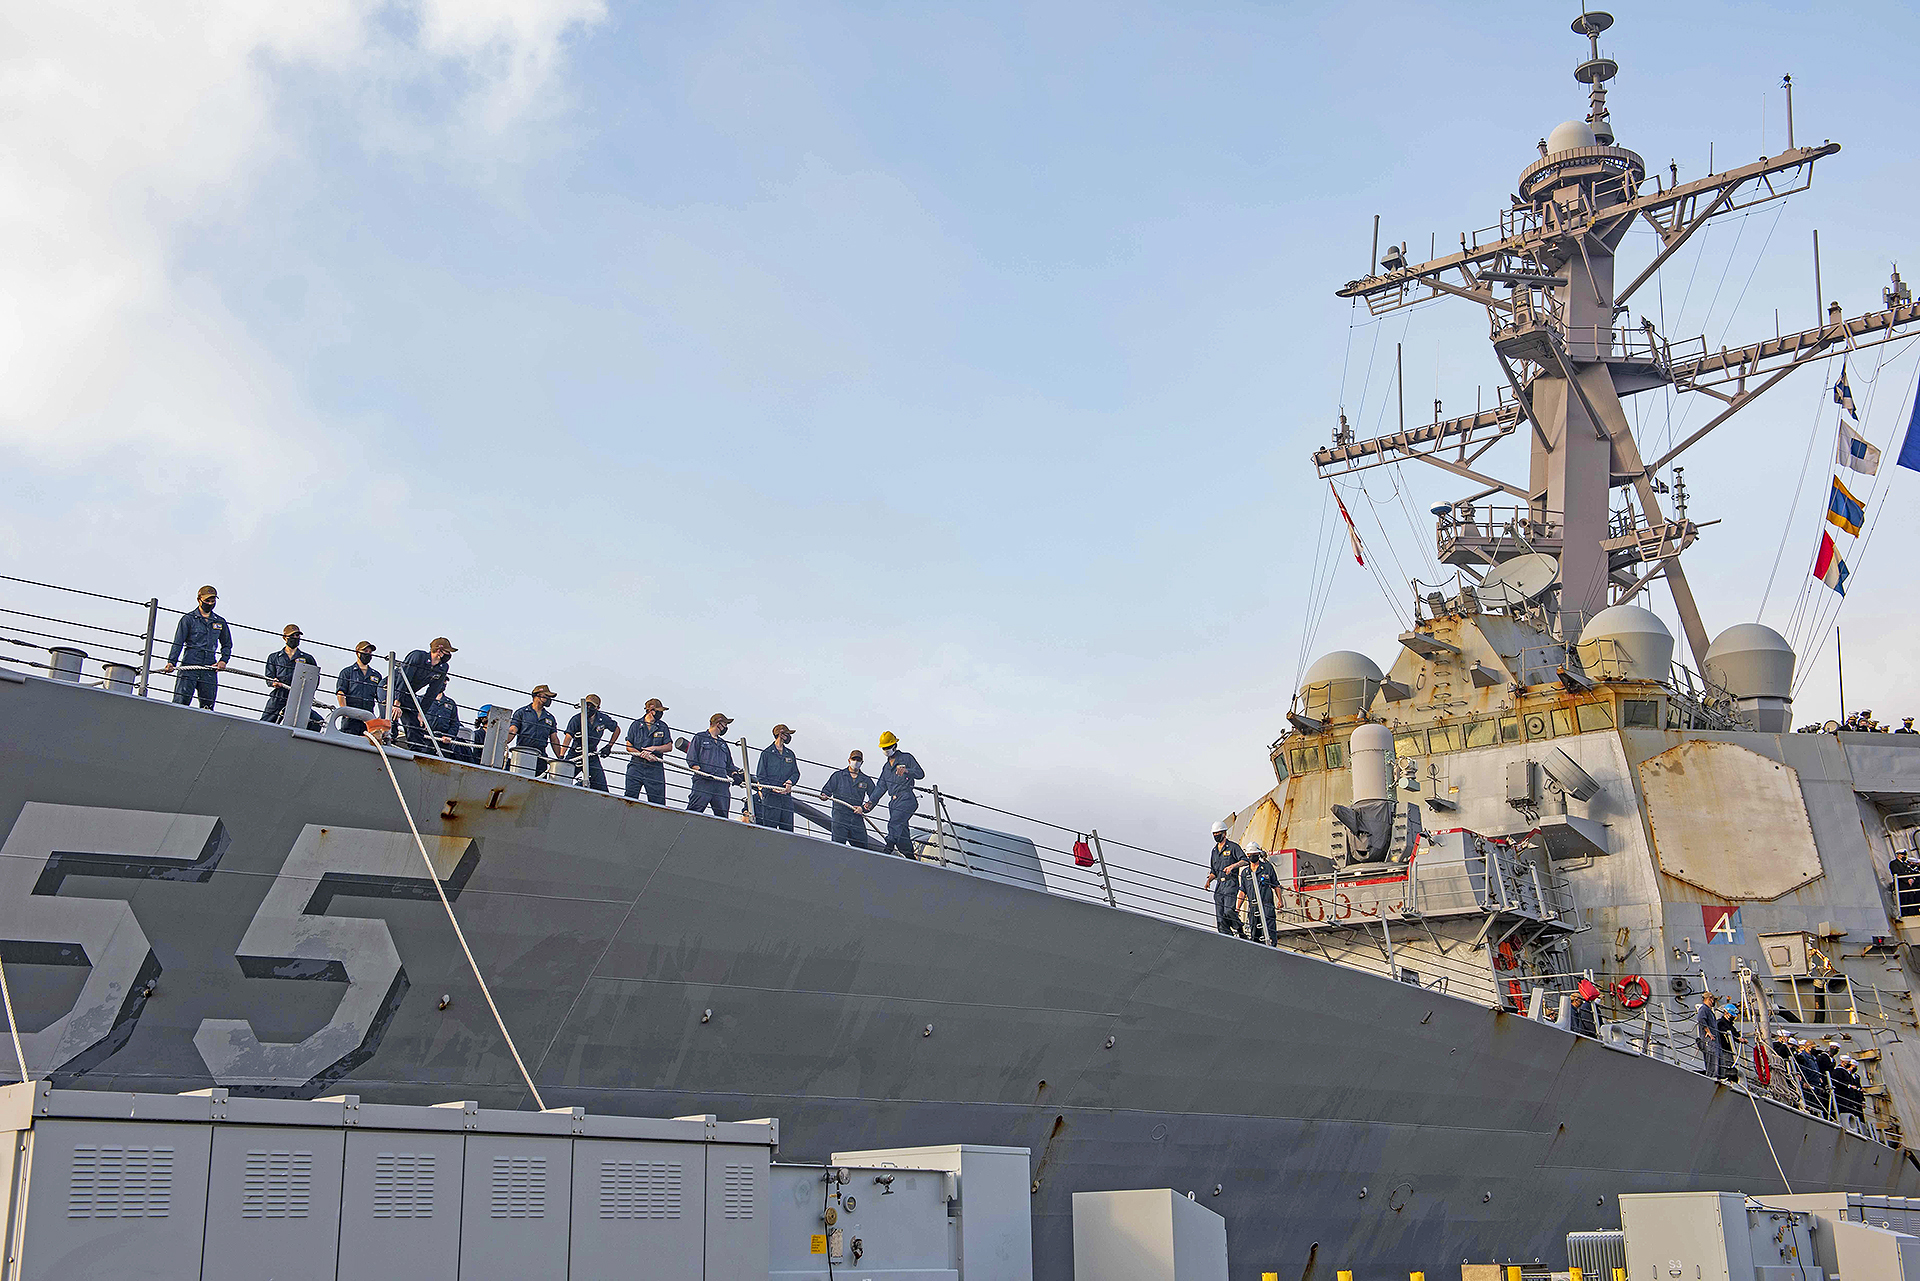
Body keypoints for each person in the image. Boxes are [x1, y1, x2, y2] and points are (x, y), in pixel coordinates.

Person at [162, 585, 232, 709]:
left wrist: (223, 660)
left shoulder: (220, 622)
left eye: (213, 601)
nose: (210, 603)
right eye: (207, 600)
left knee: (208, 706)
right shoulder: (188, 619)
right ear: (199, 599)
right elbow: (178, 642)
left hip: (210, 666)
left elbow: (227, 644)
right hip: (190, 664)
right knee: (180, 703)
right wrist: (171, 662)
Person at [862, 731, 925, 859]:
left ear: (895, 746)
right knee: (901, 834)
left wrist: (907, 770)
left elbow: (920, 773)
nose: (886, 750)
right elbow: (880, 787)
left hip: (906, 798)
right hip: (894, 802)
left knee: (894, 823)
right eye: (884, 748)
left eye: (888, 747)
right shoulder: (886, 768)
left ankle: (888, 847)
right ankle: (910, 858)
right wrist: (870, 803)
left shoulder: (906, 758)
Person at [396, 638, 456, 752]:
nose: (448, 655)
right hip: (392, 687)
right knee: (392, 714)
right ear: (439, 650)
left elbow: (432, 692)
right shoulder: (418, 657)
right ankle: (389, 740)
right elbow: (404, 678)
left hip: (409, 693)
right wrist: (396, 702)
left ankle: (417, 751)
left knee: (414, 723)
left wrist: (421, 713)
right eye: (447, 652)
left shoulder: (443, 668)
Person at [260, 625, 322, 729]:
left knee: (316, 722)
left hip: (298, 695)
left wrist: (308, 693)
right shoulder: (274, 657)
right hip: (279, 695)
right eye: (292, 635)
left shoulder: (307, 658)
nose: (296, 638)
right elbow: (269, 677)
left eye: (297, 635)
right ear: (285, 637)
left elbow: (315, 678)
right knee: (266, 723)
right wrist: (273, 682)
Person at [685, 714, 744, 817]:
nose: (726, 728)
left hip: (721, 784)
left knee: (722, 816)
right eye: (725, 724)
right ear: (718, 723)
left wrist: (735, 775)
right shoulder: (700, 738)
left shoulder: (723, 744)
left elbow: (729, 765)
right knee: (693, 812)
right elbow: (692, 759)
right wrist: (702, 772)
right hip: (703, 782)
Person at [562, 694, 621, 792]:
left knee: (602, 788)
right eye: (587, 705)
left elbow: (617, 729)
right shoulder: (576, 719)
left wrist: (609, 746)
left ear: (598, 708)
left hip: (592, 754)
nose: (589, 708)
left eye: (592, 706)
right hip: (575, 753)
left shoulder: (602, 719)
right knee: (563, 779)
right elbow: (568, 737)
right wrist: (561, 755)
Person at [820, 750, 877, 846]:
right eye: (854, 759)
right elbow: (826, 791)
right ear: (849, 760)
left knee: (862, 850)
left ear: (862, 762)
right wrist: (824, 796)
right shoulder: (838, 776)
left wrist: (862, 808)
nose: (856, 761)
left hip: (857, 818)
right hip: (840, 818)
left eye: (858, 760)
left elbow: (874, 798)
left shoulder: (866, 780)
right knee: (838, 848)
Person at [1205, 821, 1250, 939]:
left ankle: (1239, 927)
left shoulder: (1233, 847)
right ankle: (1227, 939)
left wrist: (1232, 866)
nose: (1216, 836)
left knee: (1229, 911)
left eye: (1218, 833)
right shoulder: (1214, 851)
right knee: (1220, 919)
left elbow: (1245, 860)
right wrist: (1209, 880)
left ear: (1224, 833)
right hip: (1219, 885)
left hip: (1231, 883)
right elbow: (1214, 871)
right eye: (1214, 834)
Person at [623, 699, 674, 804]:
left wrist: (654, 748)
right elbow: (629, 746)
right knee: (629, 799)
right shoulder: (636, 725)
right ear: (651, 710)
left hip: (655, 768)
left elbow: (669, 746)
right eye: (659, 711)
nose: (661, 714)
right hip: (636, 766)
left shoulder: (663, 726)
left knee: (658, 803)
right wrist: (643, 755)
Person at [508, 685, 565, 776]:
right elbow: (513, 730)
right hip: (523, 753)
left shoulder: (550, 717)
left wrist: (560, 757)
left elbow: (554, 739)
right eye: (547, 696)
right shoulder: (522, 712)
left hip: (541, 756)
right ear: (538, 696)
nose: (549, 699)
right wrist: (503, 742)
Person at [754, 725, 801, 830]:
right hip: (771, 798)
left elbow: (796, 773)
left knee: (788, 831)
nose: (788, 737)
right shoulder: (766, 754)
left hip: (786, 798)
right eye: (787, 734)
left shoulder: (790, 754)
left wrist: (790, 782)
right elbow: (761, 776)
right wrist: (771, 788)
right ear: (780, 734)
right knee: (770, 830)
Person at [335, 641, 386, 738]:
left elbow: (381, 697)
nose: (368, 654)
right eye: (365, 651)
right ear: (357, 652)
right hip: (351, 718)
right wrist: (345, 712)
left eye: (370, 652)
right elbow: (340, 693)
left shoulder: (376, 675)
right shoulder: (347, 672)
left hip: (368, 718)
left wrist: (380, 717)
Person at [1238, 844, 1280, 945]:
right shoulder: (1245, 872)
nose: (1252, 856)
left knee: (1270, 933)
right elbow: (1243, 891)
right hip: (1253, 908)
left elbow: (1276, 885)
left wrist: (1280, 901)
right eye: (1250, 855)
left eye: (1254, 854)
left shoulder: (1267, 868)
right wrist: (1238, 907)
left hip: (1267, 906)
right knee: (1254, 936)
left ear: (1258, 854)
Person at [423, 690, 466, 761]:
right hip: (426, 740)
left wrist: (449, 735)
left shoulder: (450, 703)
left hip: (444, 742)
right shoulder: (423, 699)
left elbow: (455, 723)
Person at [1794, 1039, 1831, 1117]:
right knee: (1810, 1103)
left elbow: (1816, 1069)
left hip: (1816, 1083)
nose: (1814, 1049)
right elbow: (1802, 1070)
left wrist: (1819, 1078)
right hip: (1809, 1083)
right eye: (1813, 1047)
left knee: (1817, 1104)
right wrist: (1803, 1082)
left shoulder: (1813, 1058)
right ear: (1807, 1047)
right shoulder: (1802, 1057)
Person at [1694, 992, 1722, 1079]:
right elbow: (1701, 1019)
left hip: (1714, 1039)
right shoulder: (1704, 1009)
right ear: (1709, 999)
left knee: (1716, 1057)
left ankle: (1717, 1075)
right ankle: (1712, 1076)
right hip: (1709, 1040)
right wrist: (1708, 1031)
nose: (1713, 1001)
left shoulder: (1708, 1010)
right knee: (1712, 1058)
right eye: (1713, 999)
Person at [1832, 1055, 1867, 1124]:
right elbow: (1838, 1082)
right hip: (1842, 1095)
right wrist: (1849, 1086)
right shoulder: (1839, 1071)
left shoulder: (1851, 1074)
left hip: (1850, 1097)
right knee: (1844, 1111)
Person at [1890, 849, 1920, 917]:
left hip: (1909, 886)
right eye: (1902, 855)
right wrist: (1907, 880)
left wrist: (1912, 878)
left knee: (1910, 899)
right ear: (1898, 855)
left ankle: (1912, 913)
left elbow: (1910, 872)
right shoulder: (1894, 863)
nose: (1904, 856)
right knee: (1904, 900)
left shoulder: (1905, 864)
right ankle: (1905, 913)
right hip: (1902, 885)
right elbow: (1897, 873)